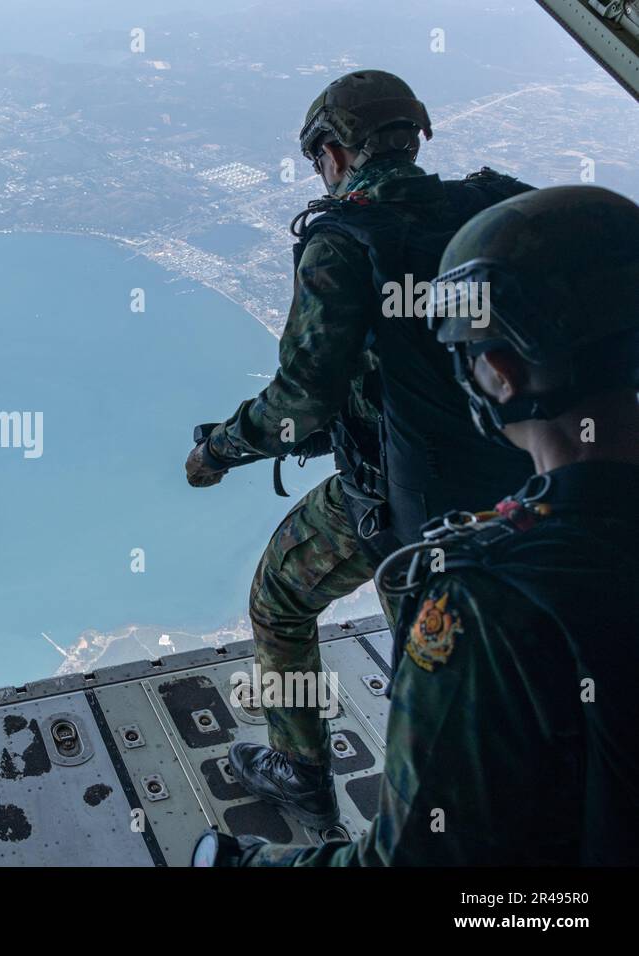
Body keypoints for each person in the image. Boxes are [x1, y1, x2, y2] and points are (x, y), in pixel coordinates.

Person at [195, 184, 639, 866]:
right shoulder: (463, 208)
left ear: (497, 371)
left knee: (280, 595)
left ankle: (301, 771)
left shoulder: (482, 595)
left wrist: (243, 864)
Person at [184, 70, 534, 828]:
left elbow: (299, 401)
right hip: (521, 488)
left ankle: (302, 771)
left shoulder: (341, 244)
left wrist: (217, 450)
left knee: (281, 600)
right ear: (411, 138)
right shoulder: (490, 204)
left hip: (397, 501)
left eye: (320, 162)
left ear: (335, 154)